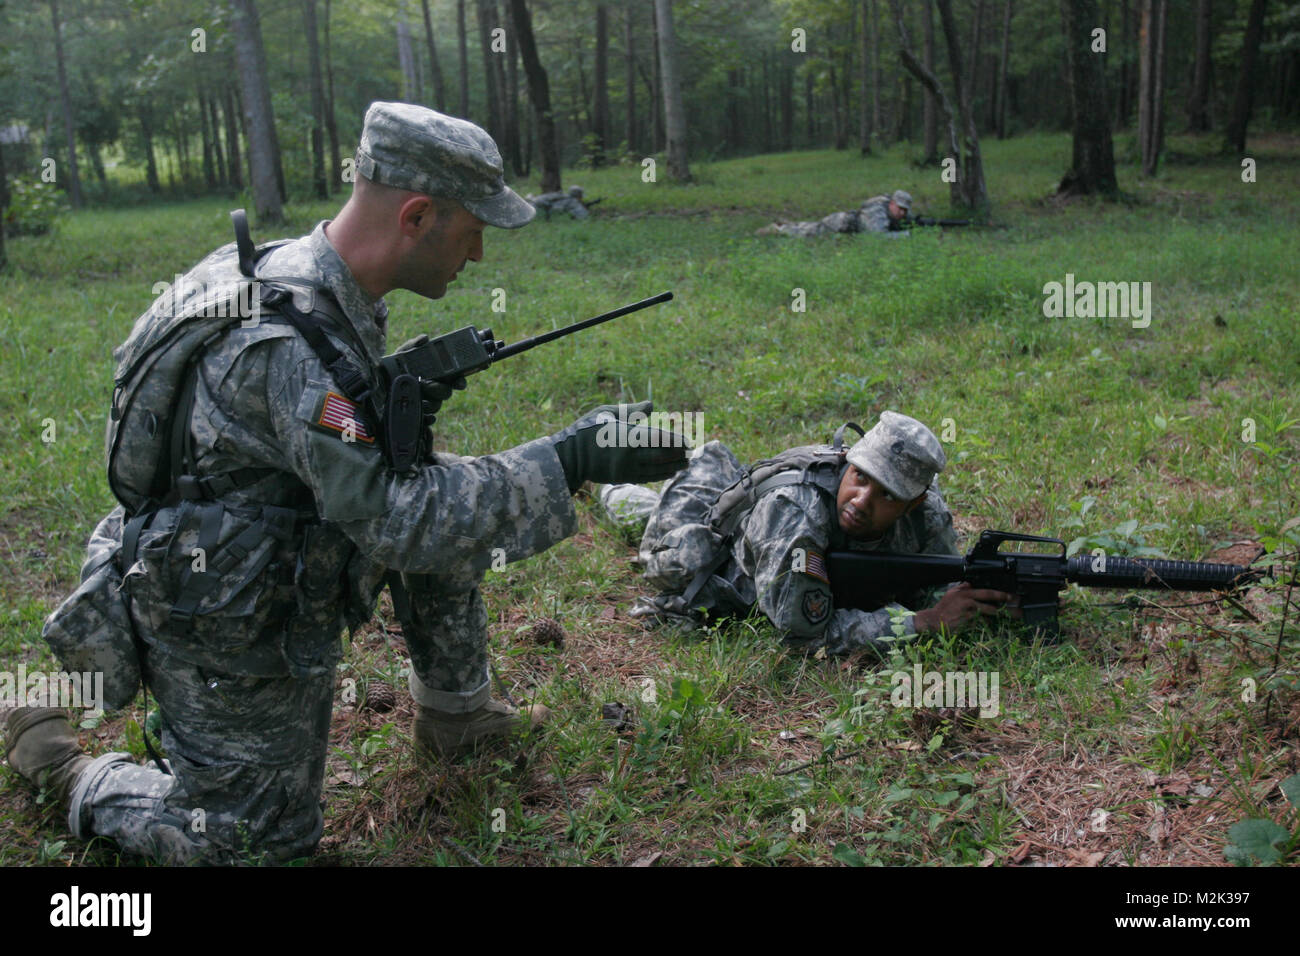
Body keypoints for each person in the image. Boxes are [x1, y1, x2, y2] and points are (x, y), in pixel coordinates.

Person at [4, 102, 685, 865]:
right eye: (474, 229)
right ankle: (68, 767)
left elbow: (347, 461)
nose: (480, 255)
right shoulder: (288, 344)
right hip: (220, 609)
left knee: (438, 488)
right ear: (419, 216)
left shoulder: (313, 279)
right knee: (256, 848)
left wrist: (394, 399)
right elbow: (399, 521)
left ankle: (458, 717)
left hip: (271, 536)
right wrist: (572, 459)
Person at [604, 411, 1017, 656]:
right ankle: (604, 484)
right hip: (722, 552)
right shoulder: (793, 513)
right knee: (655, 531)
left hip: (761, 526)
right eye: (860, 476)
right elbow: (805, 635)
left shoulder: (926, 511)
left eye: (887, 494)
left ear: (913, 502)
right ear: (850, 461)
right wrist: (923, 624)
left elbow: (934, 582)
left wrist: (985, 602)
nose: (860, 499)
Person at [757, 189, 912, 238]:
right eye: (900, 208)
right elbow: (878, 237)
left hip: (845, 227)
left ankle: (787, 224)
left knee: (811, 228)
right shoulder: (877, 212)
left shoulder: (888, 210)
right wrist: (907, 235)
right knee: (807, 233)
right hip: (839, 224)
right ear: (892, 204)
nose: (902, 213)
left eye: (905, 210)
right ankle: (778, 229)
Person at [526, 184, 591, 220]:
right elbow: (583, 215)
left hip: (534, 208)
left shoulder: (561, 195)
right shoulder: (573, 202)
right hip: (538, 211)